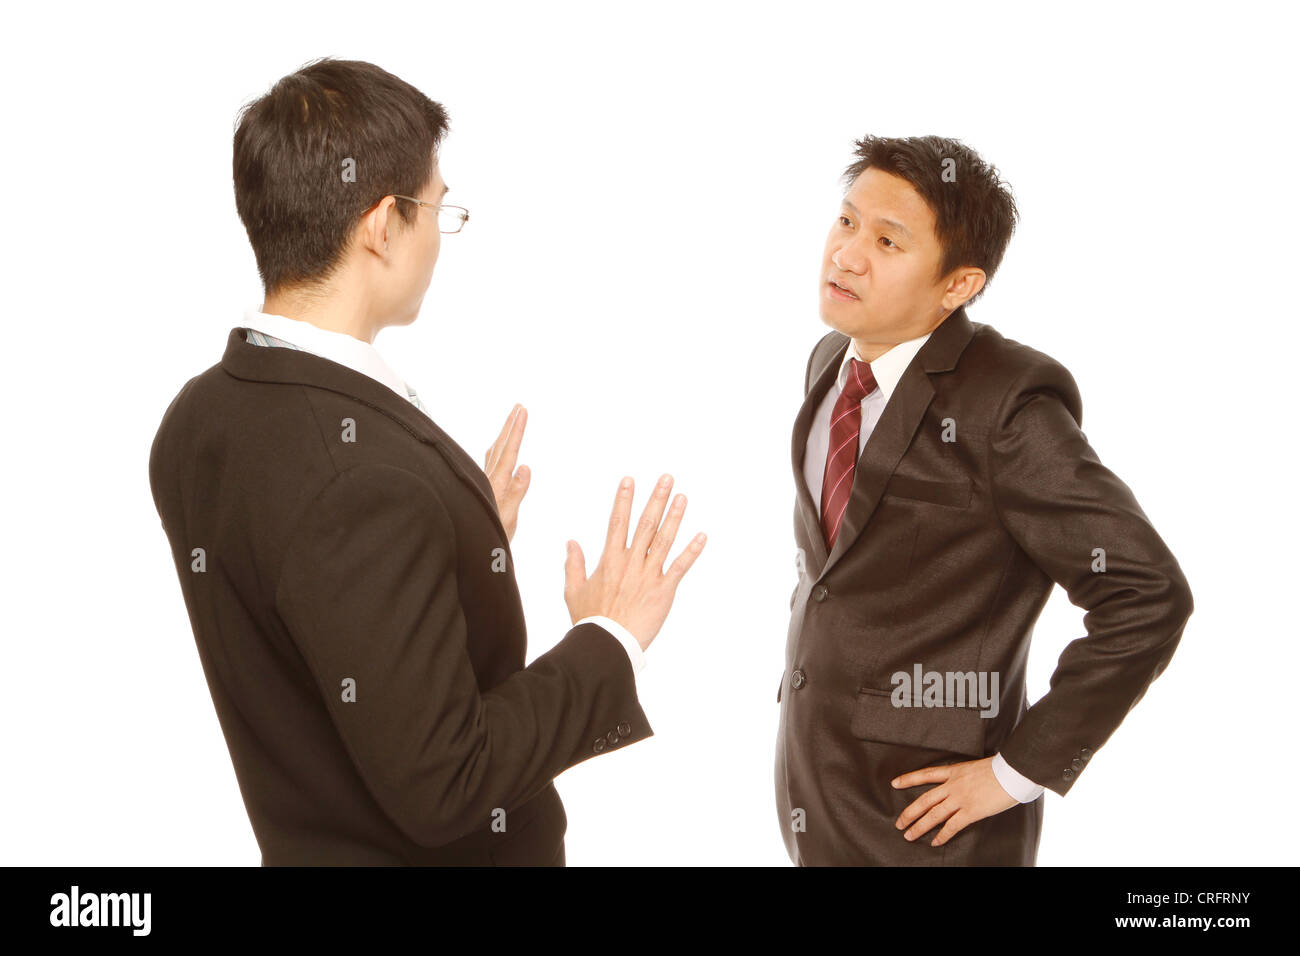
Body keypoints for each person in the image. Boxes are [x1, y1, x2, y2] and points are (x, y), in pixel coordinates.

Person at [149, 58, 705, 866]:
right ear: (381, 225)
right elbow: (446, 781)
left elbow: (320, 615)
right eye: (436, 211)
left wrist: (448, 550)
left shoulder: (200, 416)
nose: (439, 238)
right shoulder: (364, 482)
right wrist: (610, 638)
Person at [774, 134, 1193, 865]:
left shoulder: (1007, 405)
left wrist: (1019, 772)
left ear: (958, 285)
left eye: (887, 240)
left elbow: (1147, 592)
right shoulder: (831, 361)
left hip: (935, 829)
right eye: (845, 222)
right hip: (821, 797)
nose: (845, 254)